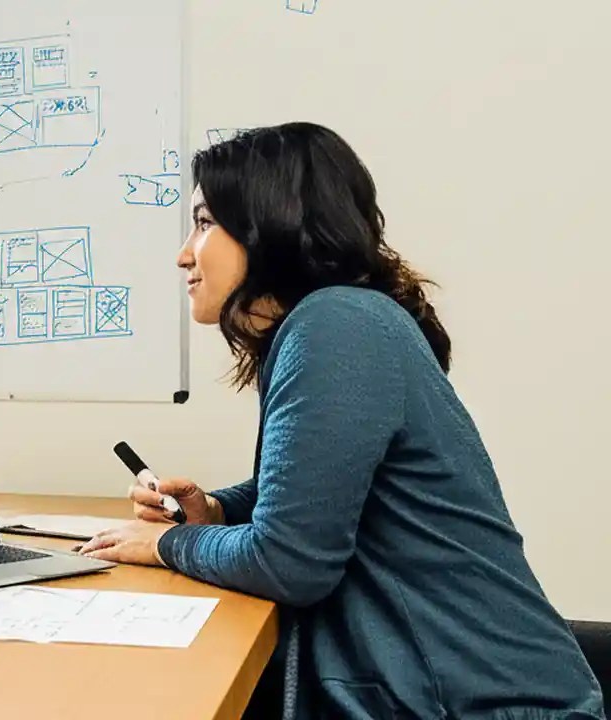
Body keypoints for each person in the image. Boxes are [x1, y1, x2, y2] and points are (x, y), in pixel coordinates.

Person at [79, 123, 604, 719]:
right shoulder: (346, 319)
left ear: (268, 222)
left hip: (478, 706)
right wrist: (218, 511)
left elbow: (290, 561)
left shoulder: (337, 327)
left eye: (204, 223)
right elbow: (327, 488)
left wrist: (170, 542)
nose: (184, 254)